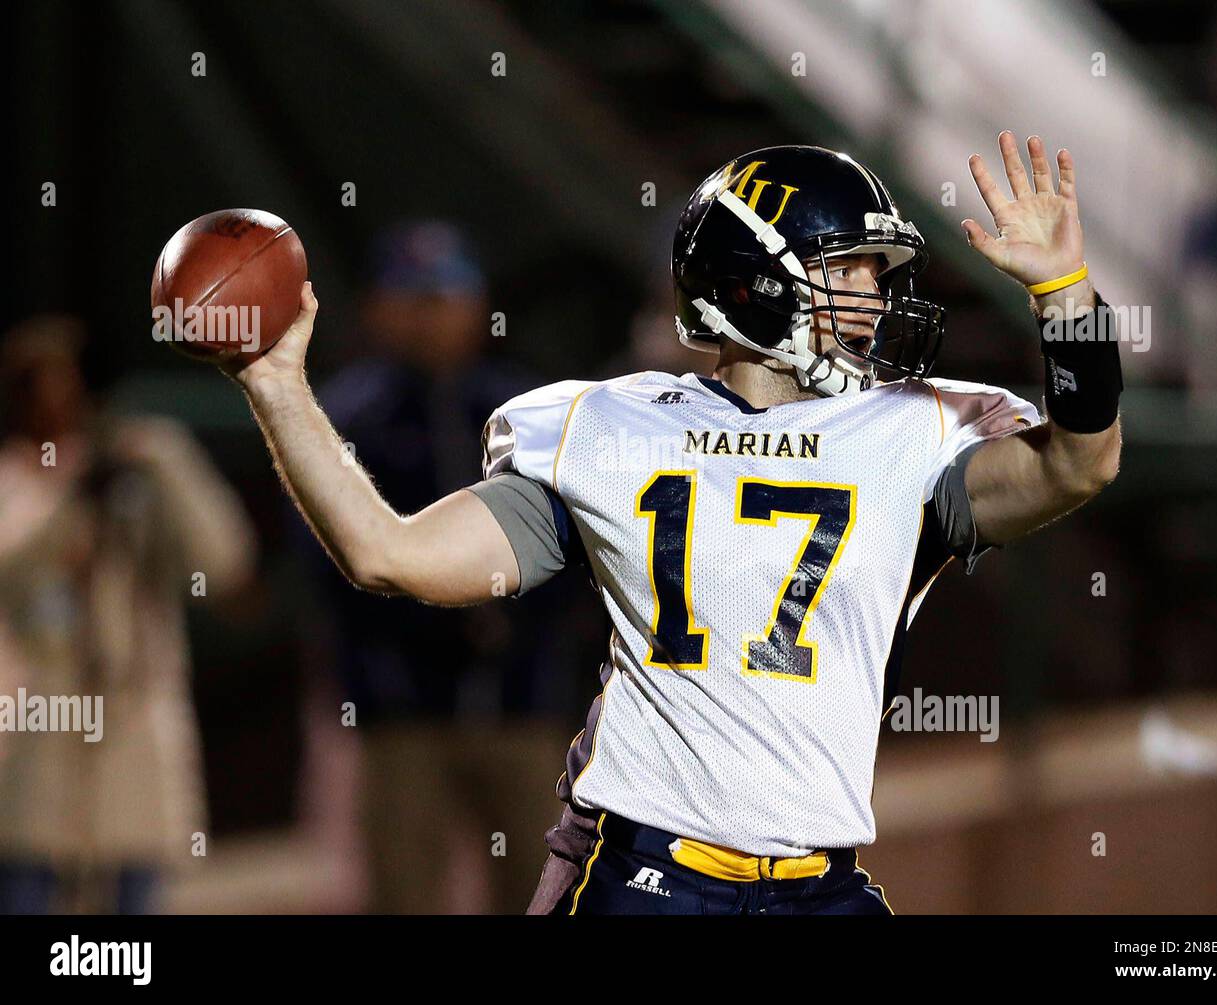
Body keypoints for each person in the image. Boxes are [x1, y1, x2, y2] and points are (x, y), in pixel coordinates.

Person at [224, 134, 1122, 914]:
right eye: (849, 271)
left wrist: (1066, 297)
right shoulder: (609, 425)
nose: (876, 299)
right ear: (760, 281)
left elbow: (1082, 460)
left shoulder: (905, 431)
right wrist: (277, 387)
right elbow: (389, 555)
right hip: (642, 873)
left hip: (819, 882)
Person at [298, 222, 583, 913]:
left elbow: (582, 546)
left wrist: (519, 629)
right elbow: (325, 566)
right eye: (415, 297)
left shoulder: (535, 408)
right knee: (404, 895)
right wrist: (439, 622)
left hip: (523, 702)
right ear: (378, 307)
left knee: (545, 893)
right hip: (404, 713)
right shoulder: (346, 414)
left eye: (447, 296)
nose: (433, 316)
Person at [0, 314, 255, 914]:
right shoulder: (11, 479)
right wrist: (74, 504)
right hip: (36, 719)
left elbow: (224, 561)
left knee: (131, 917)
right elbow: (10, 572)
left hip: (134, 714)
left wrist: (165, 466)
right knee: (26, 885)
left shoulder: (139, 465)